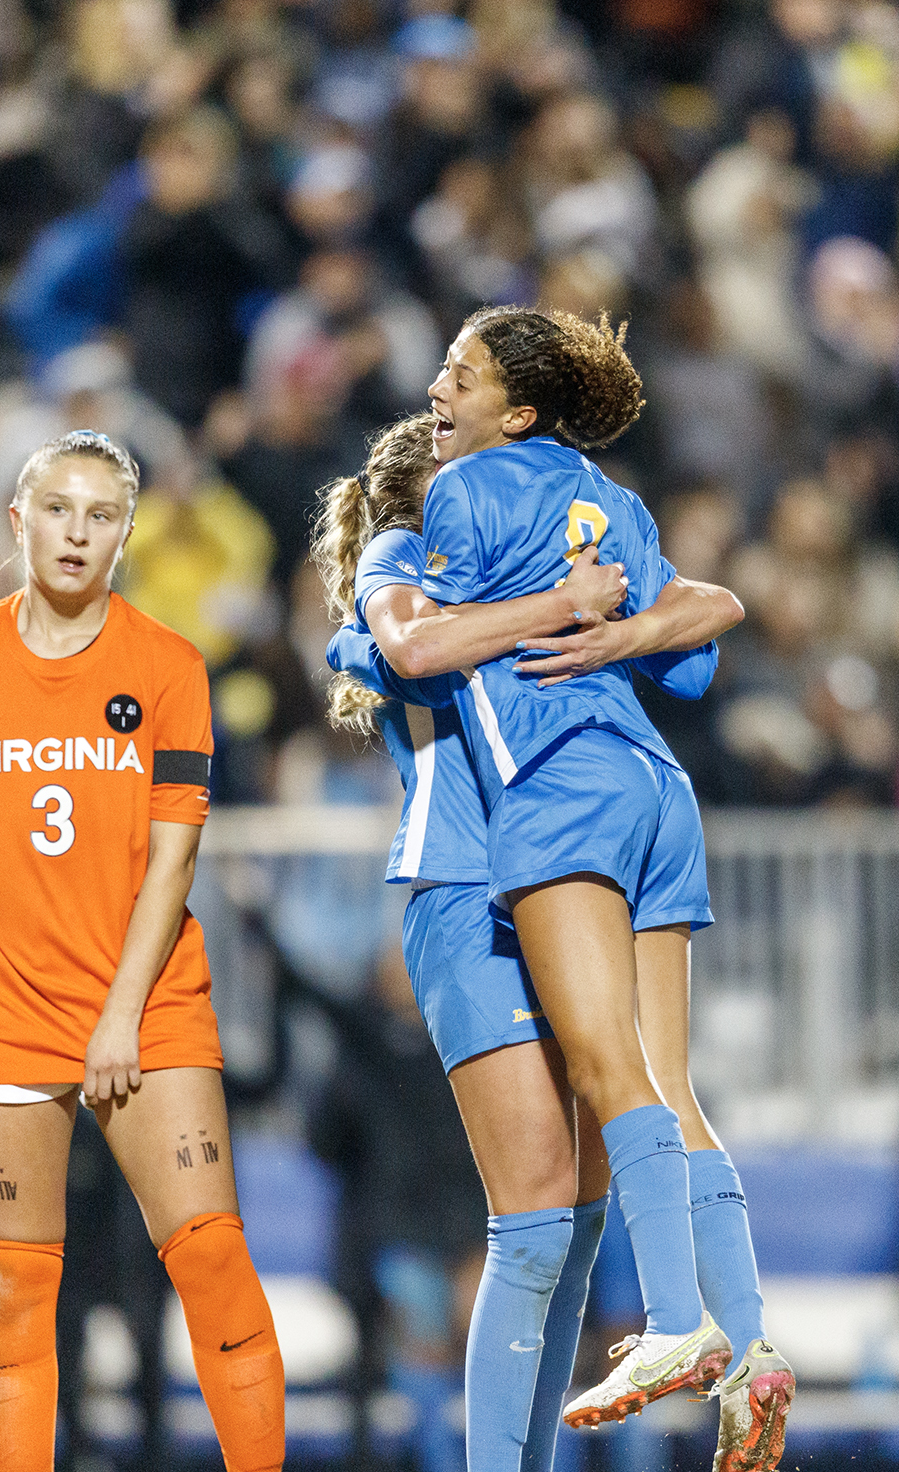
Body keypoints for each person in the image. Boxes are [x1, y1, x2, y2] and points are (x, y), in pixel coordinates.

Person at [312, 413, 750, 1470]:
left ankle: (720, 1353)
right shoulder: (400, 571)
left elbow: (706, 617)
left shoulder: (514, 572)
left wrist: (622, 622)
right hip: (466, 892)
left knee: (579, 1222)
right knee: (533, 1221)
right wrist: (569, 601)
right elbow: (408, 645)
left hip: (565, 874)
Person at [0, 430, 285, 1472]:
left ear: (126, 536)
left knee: (212, 1256)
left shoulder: (170, 667)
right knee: (13, 1283)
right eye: (58, 509)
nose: (76, 532)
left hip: (148, 1000)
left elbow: (175, 860)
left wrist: (119, 1016)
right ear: (18, 521)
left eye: (101, 515)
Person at [416, 308, 795, 1466]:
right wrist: (611, 625)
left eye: (460, 374)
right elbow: (702, 626)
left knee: (605, 1068)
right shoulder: (612, 502)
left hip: (559, 791)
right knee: (671, 1082)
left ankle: (675, 1322)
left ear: (516, 409)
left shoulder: (460, 491)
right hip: (658, 787)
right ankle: (751, 1349)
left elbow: (424, 644)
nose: (437, 390)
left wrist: (548, 617)